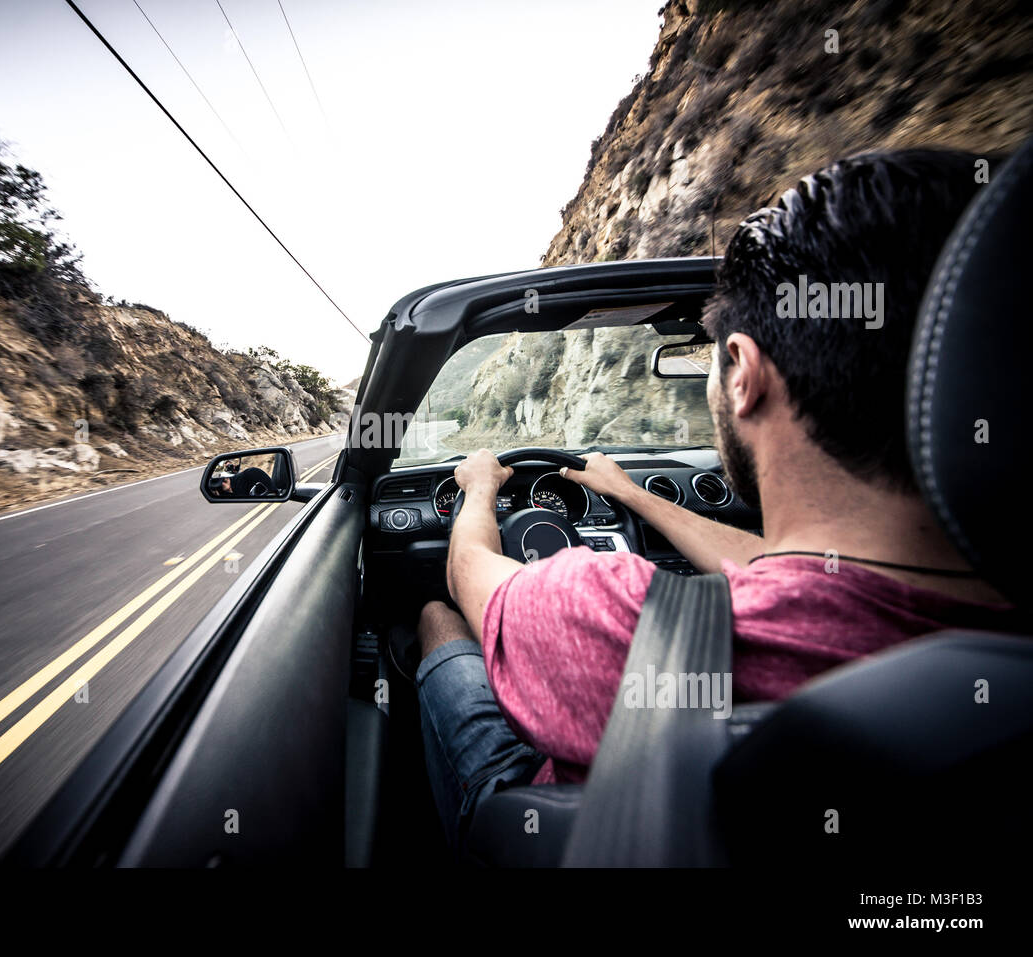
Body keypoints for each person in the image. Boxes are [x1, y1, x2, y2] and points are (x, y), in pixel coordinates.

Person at [416, 148, 1021, 855]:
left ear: (742, 374)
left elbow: (470, 568)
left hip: (555, 823)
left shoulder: (617, 619)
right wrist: (631, 494)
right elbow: (790, 565)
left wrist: (480, 487)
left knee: (436, 617)